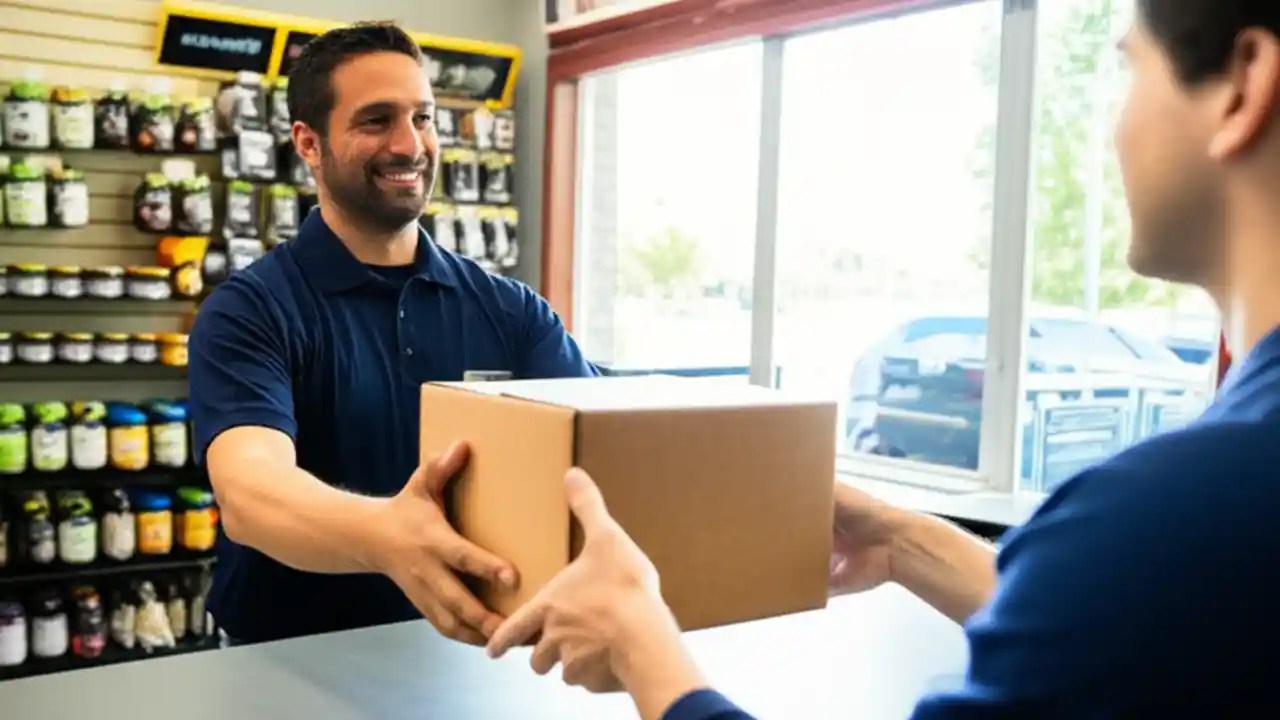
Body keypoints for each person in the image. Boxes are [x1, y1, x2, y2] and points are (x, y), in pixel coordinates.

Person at [485, 1, 1280, 717]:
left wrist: (642, 648)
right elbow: (1137, 625)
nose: (1114, 127)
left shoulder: (1173, 512)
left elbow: (1139, 585)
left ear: (1244, 85)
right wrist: (904, 541)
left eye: (1128, 72)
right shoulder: (1194, 531)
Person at [188, 22, 596, 645]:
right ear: (309, 142)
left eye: (424, 118)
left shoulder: (511, 310)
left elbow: (598, 447)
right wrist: (387, 536)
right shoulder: (251, 311)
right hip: (291, 662)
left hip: (476, 655)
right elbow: (251, 494)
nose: (410, 145)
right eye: (376, 120)